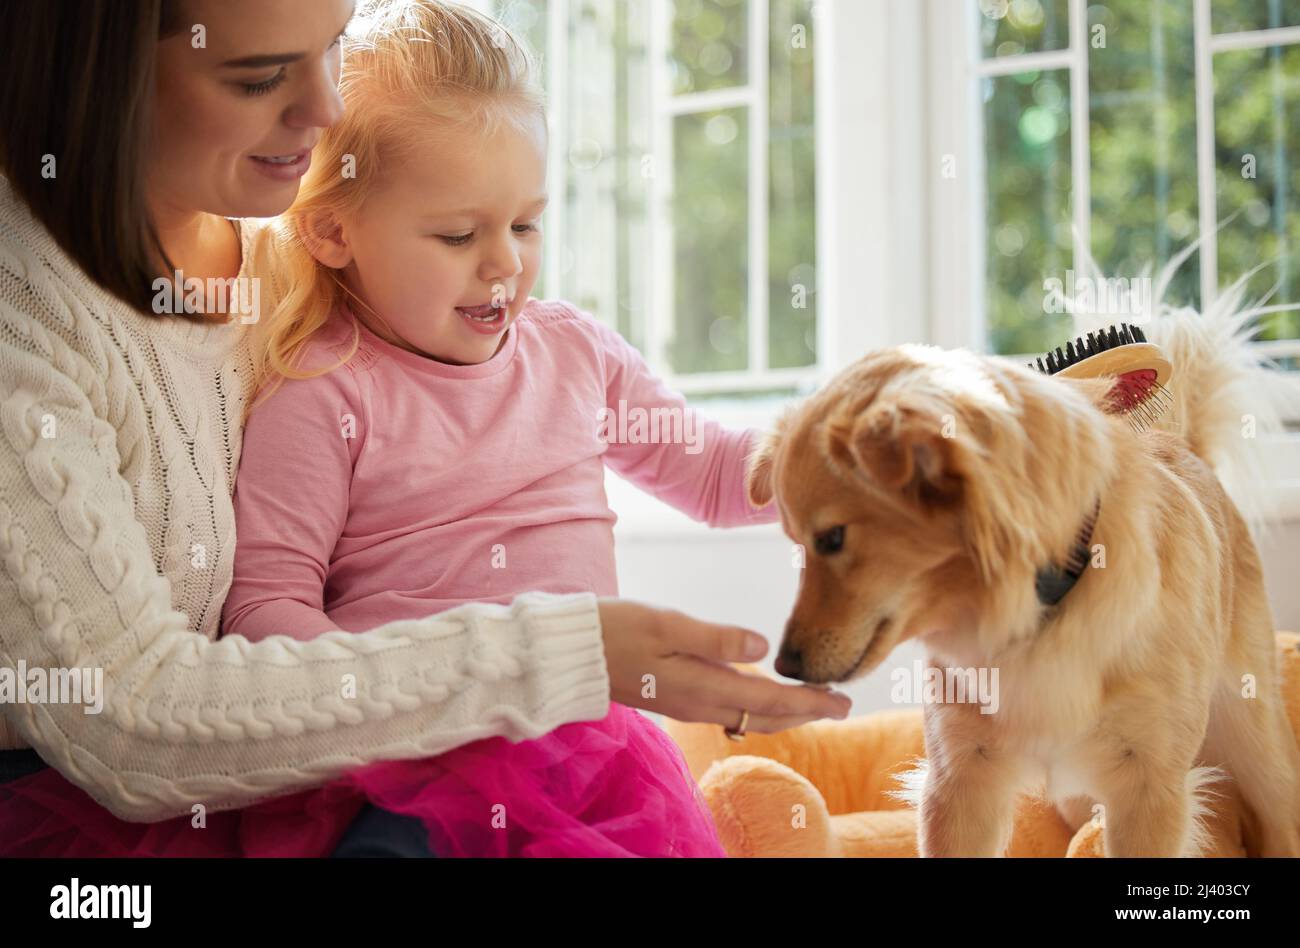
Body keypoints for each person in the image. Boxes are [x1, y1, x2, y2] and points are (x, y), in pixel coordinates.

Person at [0, 0, 849, 856]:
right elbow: (238, 629)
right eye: (456, 234)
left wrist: (845, 458)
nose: (506, 263)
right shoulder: (313, 385)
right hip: (394, 761)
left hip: (581, 749)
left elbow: (717, 472)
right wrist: (395, 712)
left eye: (526, 224)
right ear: (332, 231)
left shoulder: (571, 352)